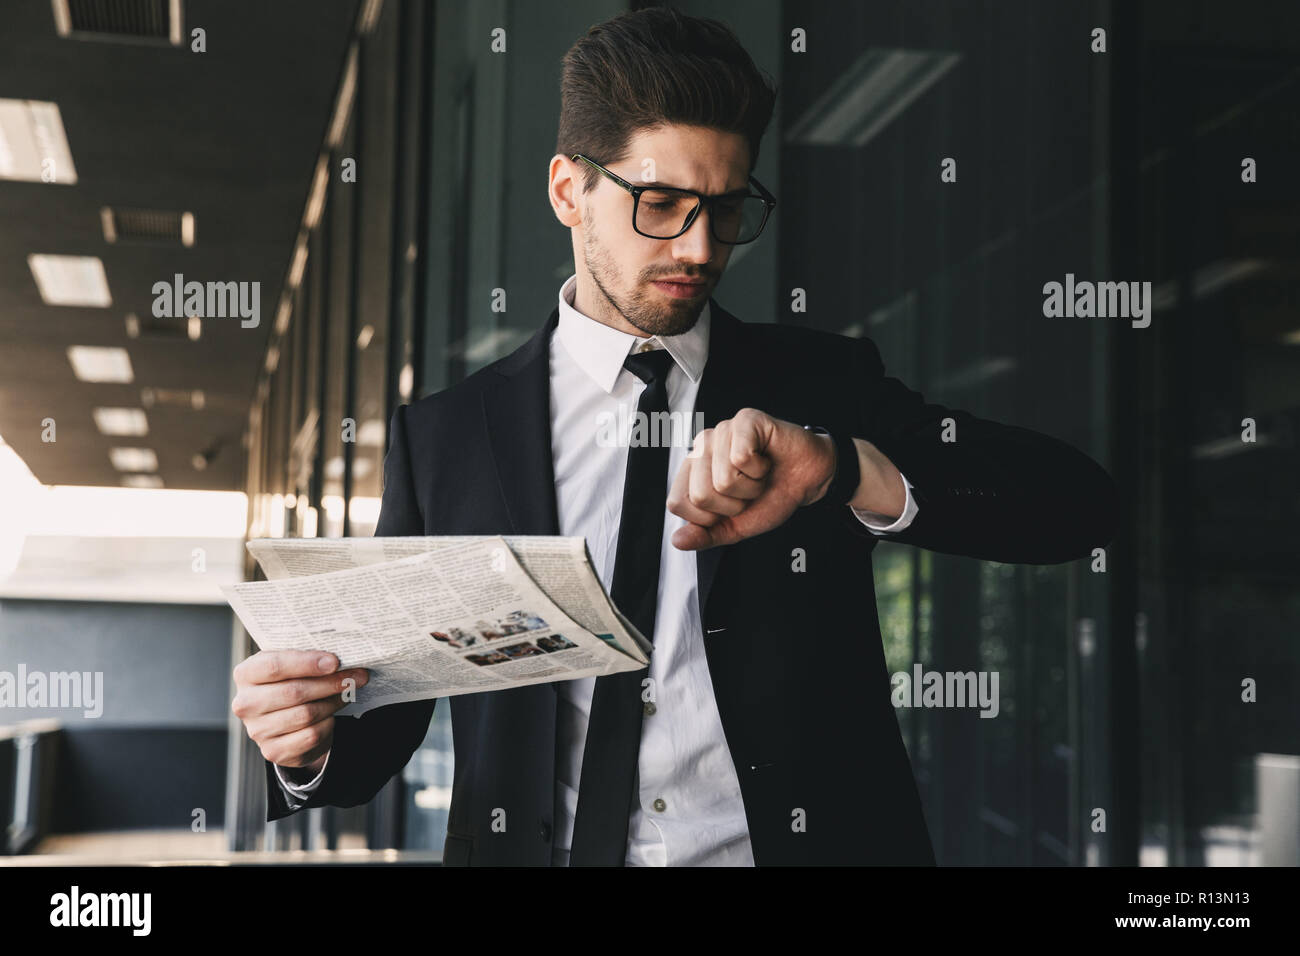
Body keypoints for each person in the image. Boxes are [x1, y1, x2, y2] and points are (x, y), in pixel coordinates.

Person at [231, 7, 1118, 866]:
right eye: (660, 203)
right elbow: (389, 718)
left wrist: (845, 469)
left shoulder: (820, 387)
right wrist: (305, 748)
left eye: (725, 208)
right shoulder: (449, 437)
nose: (700, 247)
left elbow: (1075, 508)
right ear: (567, 190)